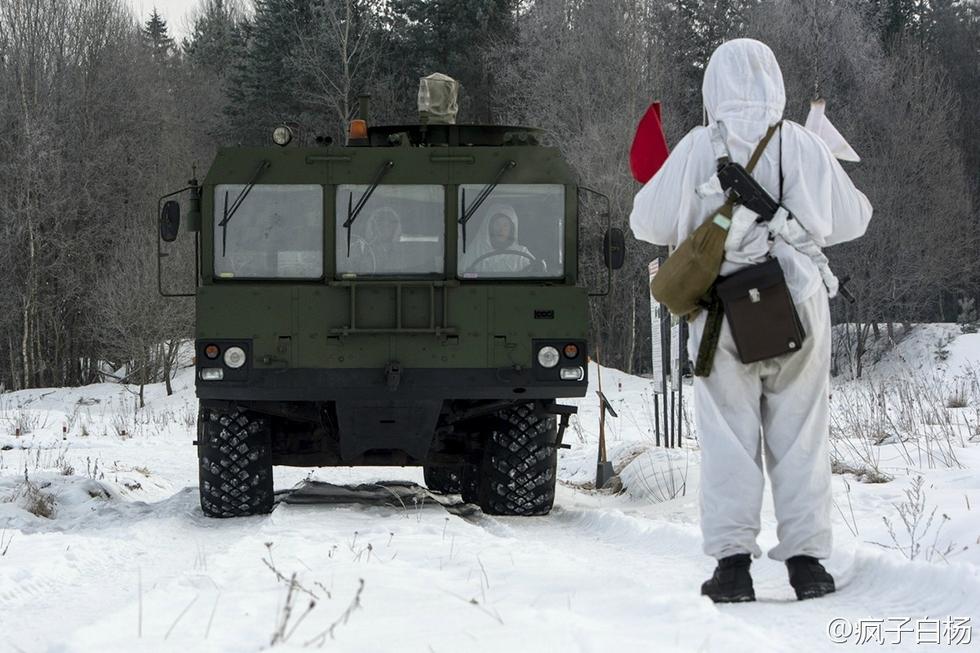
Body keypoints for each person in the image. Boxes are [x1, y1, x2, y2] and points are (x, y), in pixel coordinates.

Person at [629, 39, 872, 602]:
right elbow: (854, 218)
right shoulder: (804, 145)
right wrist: (816, 179)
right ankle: (808, 566)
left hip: (721, 316)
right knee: (802, 436)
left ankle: (734, 568)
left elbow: (647, 220)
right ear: (775, 83)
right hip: (798, 310)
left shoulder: (695, 148)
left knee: (728, 440)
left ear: (713, 86)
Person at [461, 204, 535, 275]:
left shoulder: (522, 255)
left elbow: (536, 273)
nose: (501, 229)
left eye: (505, 225)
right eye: (497, 224)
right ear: (489, 227)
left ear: (512, 229)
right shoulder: (475, 251)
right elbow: (463, 275)